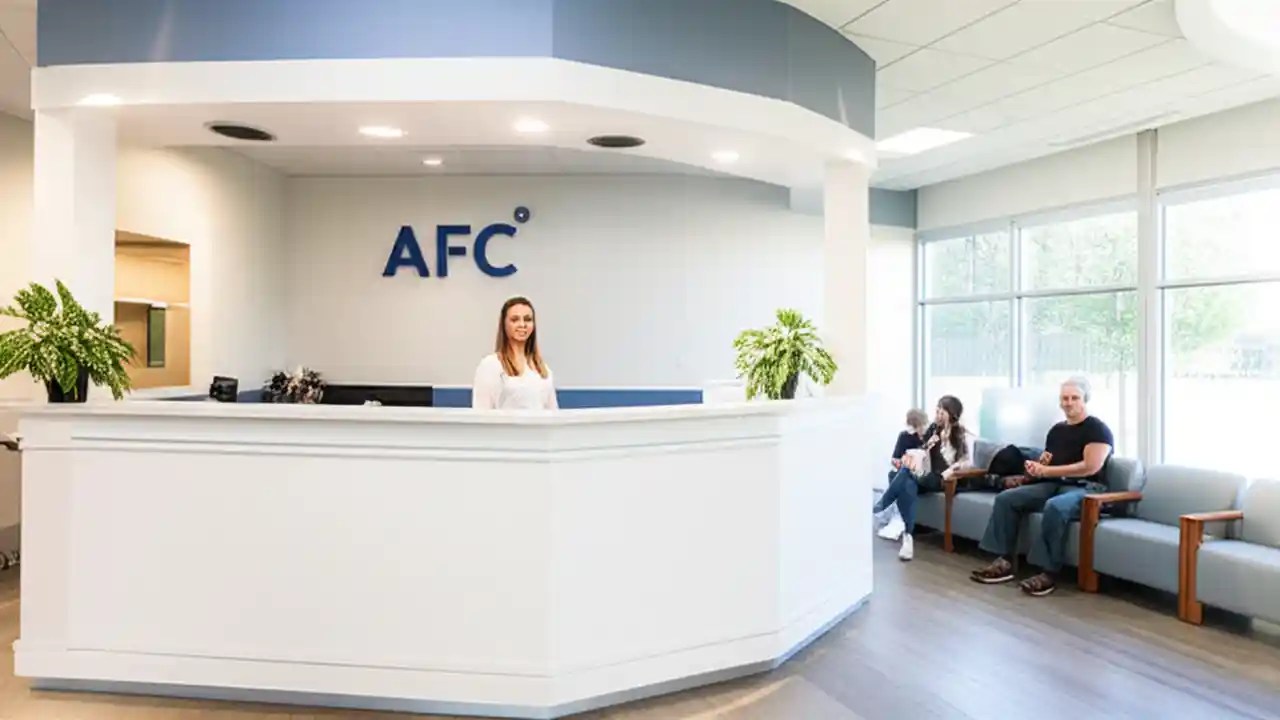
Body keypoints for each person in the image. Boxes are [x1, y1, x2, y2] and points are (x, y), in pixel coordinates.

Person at [970, 377, 1114, 596]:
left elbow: (1090, 467)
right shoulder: (1057, 430)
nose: (1068, 402)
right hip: (1053, 483)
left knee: (1056, 507)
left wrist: (1047, 471)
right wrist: (1037, 468)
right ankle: (1005, 561)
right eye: (1064, 398)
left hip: (1087, 488)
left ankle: (1048, 573)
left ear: (1085, 400)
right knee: (1006, 499)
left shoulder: (1098, 429)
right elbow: (1049, 460)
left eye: (1074, 398)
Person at [872, 396, 974, 561]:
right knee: (907, 485)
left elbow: (966, 461)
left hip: (942, 478)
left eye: (942, 411)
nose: (938, 414)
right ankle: (908, 537)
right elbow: (921, 452)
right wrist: (927, 446)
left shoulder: (959, 433)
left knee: (903, 475)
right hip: (927, 474)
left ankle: (884, 502)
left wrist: (948, 471)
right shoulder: (934, 428)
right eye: (937, 410)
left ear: (951, 414)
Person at [472, 296, 559, 410]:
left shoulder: (544, 369)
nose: (522, 325)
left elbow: (553, 414)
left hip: (538, 428)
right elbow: (481, 414)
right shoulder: (490, 365)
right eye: (515, 319)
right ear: (504, 324)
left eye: (527, 319)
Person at [877, 408, 930, 541]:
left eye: (919, 427)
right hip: (907, 472)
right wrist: (900, 462)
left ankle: (884, 504)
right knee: (899, 476)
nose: (917, 431)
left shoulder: (931, 438)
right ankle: (905, 523)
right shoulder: (905, 436)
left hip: (923, 475)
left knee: (903, 479)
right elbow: (895, 458)